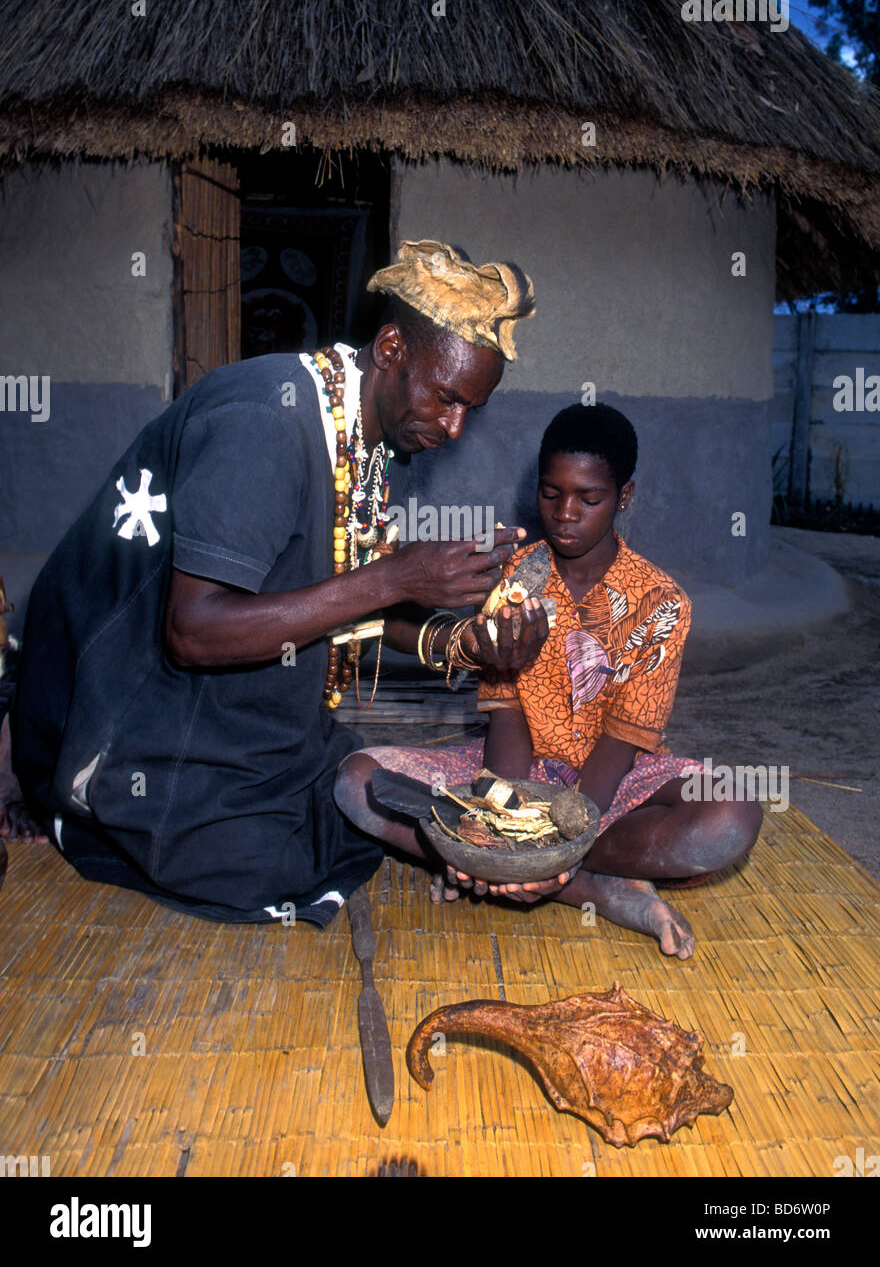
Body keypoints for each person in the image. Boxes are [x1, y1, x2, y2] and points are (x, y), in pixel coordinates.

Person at [9, 240, 550, 924]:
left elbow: (345, 600)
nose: (455, 426)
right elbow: (192, 632)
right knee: (273, 863)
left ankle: (500, 860)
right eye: (446, 398)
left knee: (356, 790)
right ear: (390, 349)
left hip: (252, 713)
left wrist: (469, 644)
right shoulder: (265, 422)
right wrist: (399, 574)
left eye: (473, 407)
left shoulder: (363, 435)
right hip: (138, 713)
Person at [334, 402, 763, 959]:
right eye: (550, 493)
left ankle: (507, 871)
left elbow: (623, 740)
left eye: (589, 499)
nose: (565, 513)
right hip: (511, 773)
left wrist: (560, 843)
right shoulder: (516, 578)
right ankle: (589, 890)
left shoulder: (661, 602)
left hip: (615, 775)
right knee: (358, 783)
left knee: (729, 815)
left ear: (623, 497)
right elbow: (507, 711)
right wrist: (509, 832)